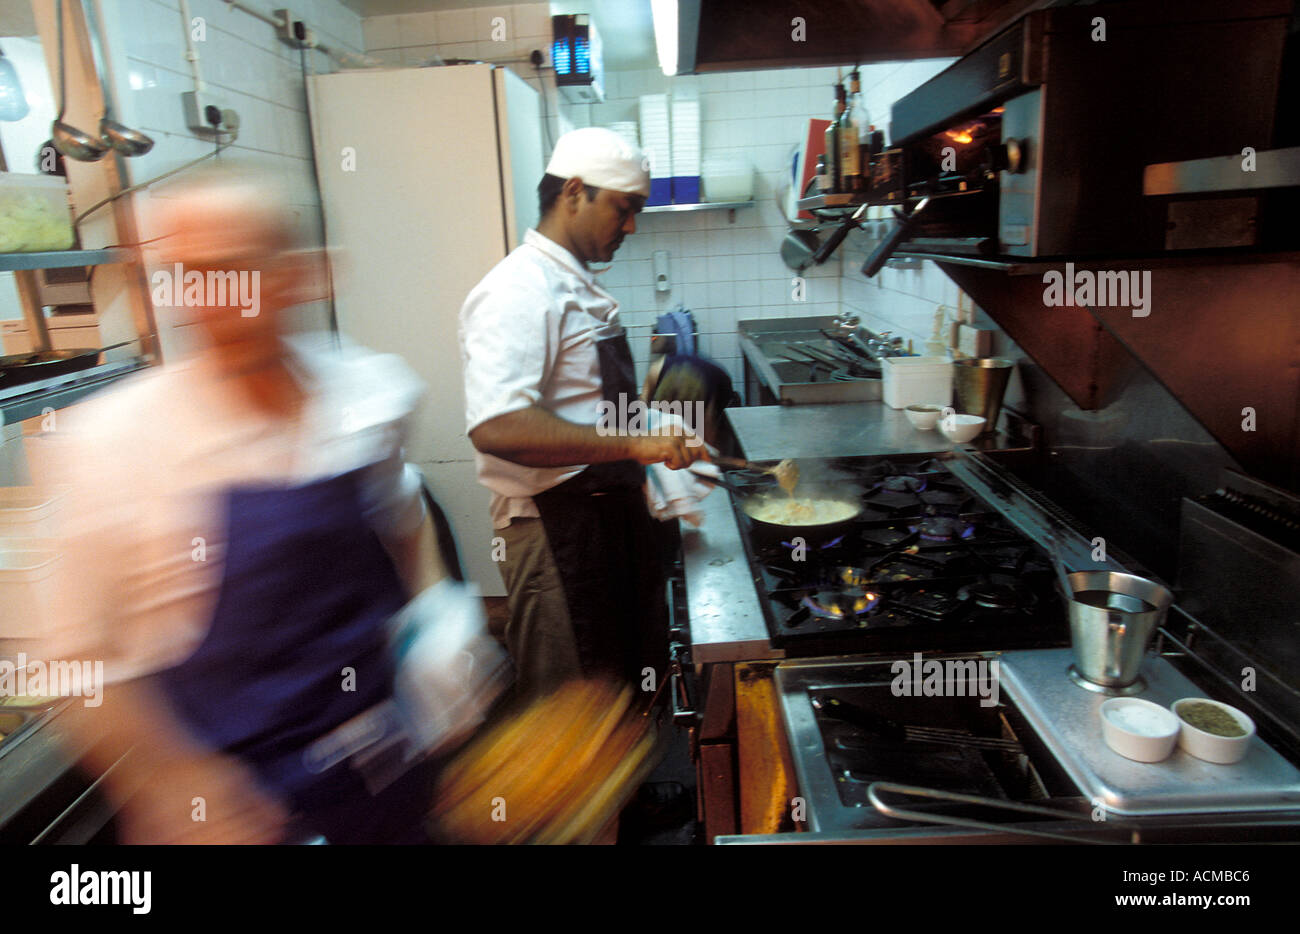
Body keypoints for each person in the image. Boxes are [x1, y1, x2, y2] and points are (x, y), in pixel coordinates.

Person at [43, 168, 447, 844]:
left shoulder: (370, 395)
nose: (213, 302)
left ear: (301, 275)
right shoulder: (110, 443)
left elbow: (404, 521)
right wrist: (169, 776)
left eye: (236, 271)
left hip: (387, 777)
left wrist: (438, 616)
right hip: (233, 820)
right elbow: (77, 661)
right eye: (189, 276)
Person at [459, 127, 706, 699]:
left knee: (622, 687)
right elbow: (497, 426)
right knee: (572, 703)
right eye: (624, 208)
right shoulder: (518, 290)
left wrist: (648, 426)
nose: (632, 226)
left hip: (605, 518)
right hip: (557, 531)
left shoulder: (572, 284)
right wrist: (633, 444)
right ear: (574, 192)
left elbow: (583, 404)